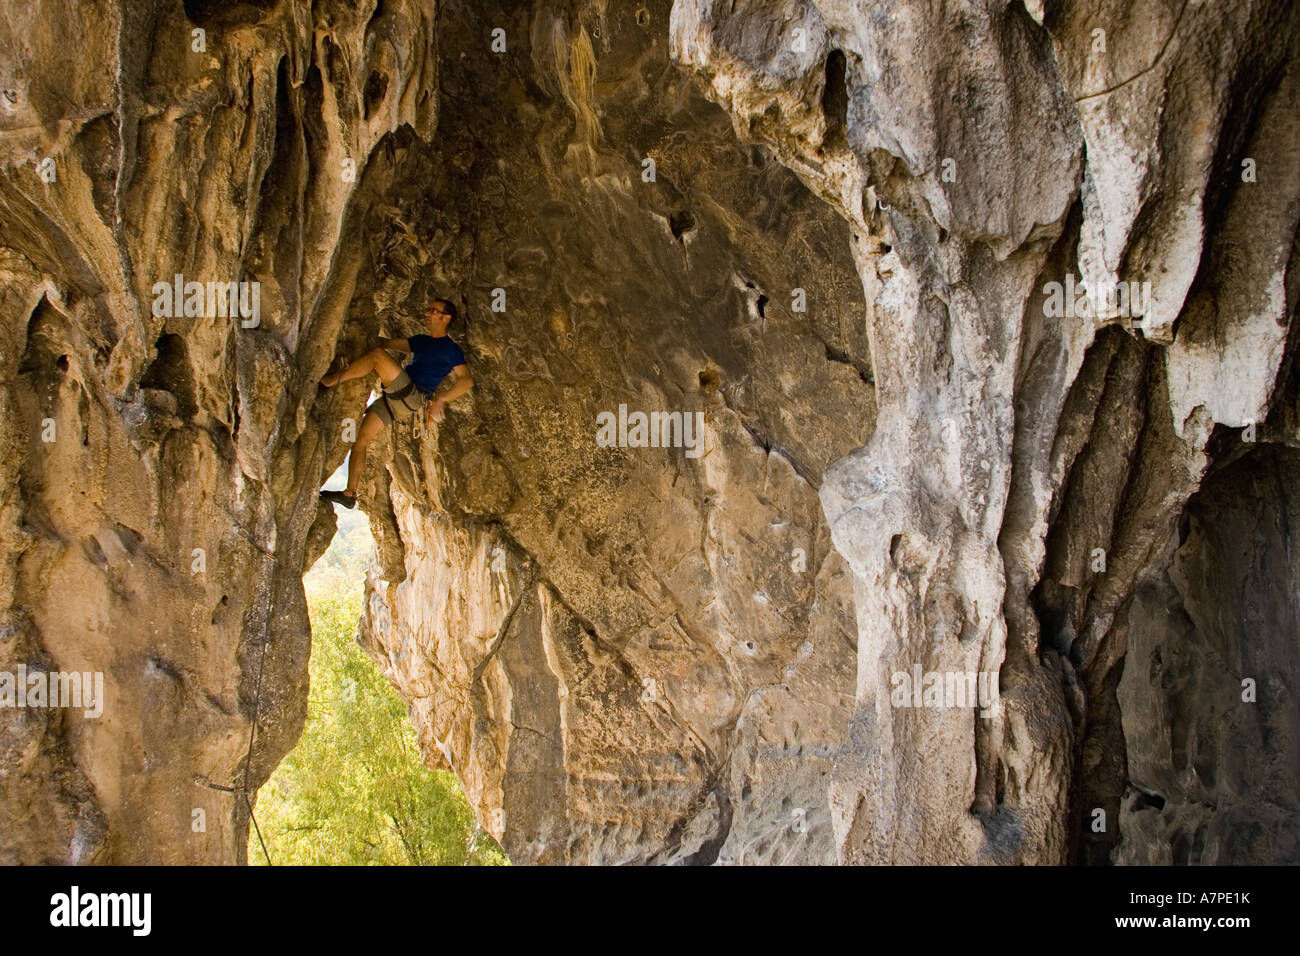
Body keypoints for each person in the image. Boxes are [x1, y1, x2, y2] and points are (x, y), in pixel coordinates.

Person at [318, 298, 473, 509]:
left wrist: (442, 399)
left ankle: (329, 380)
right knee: (361, 440)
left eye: (433, 310)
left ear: (445, 318)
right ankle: (349, 493)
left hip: (412, 395)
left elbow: (467, 380)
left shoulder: (450, 349)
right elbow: (385, 343)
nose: (427, 312)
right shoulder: (421, 341)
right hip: (396, 399)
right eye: (427, 308)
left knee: (377, 357)